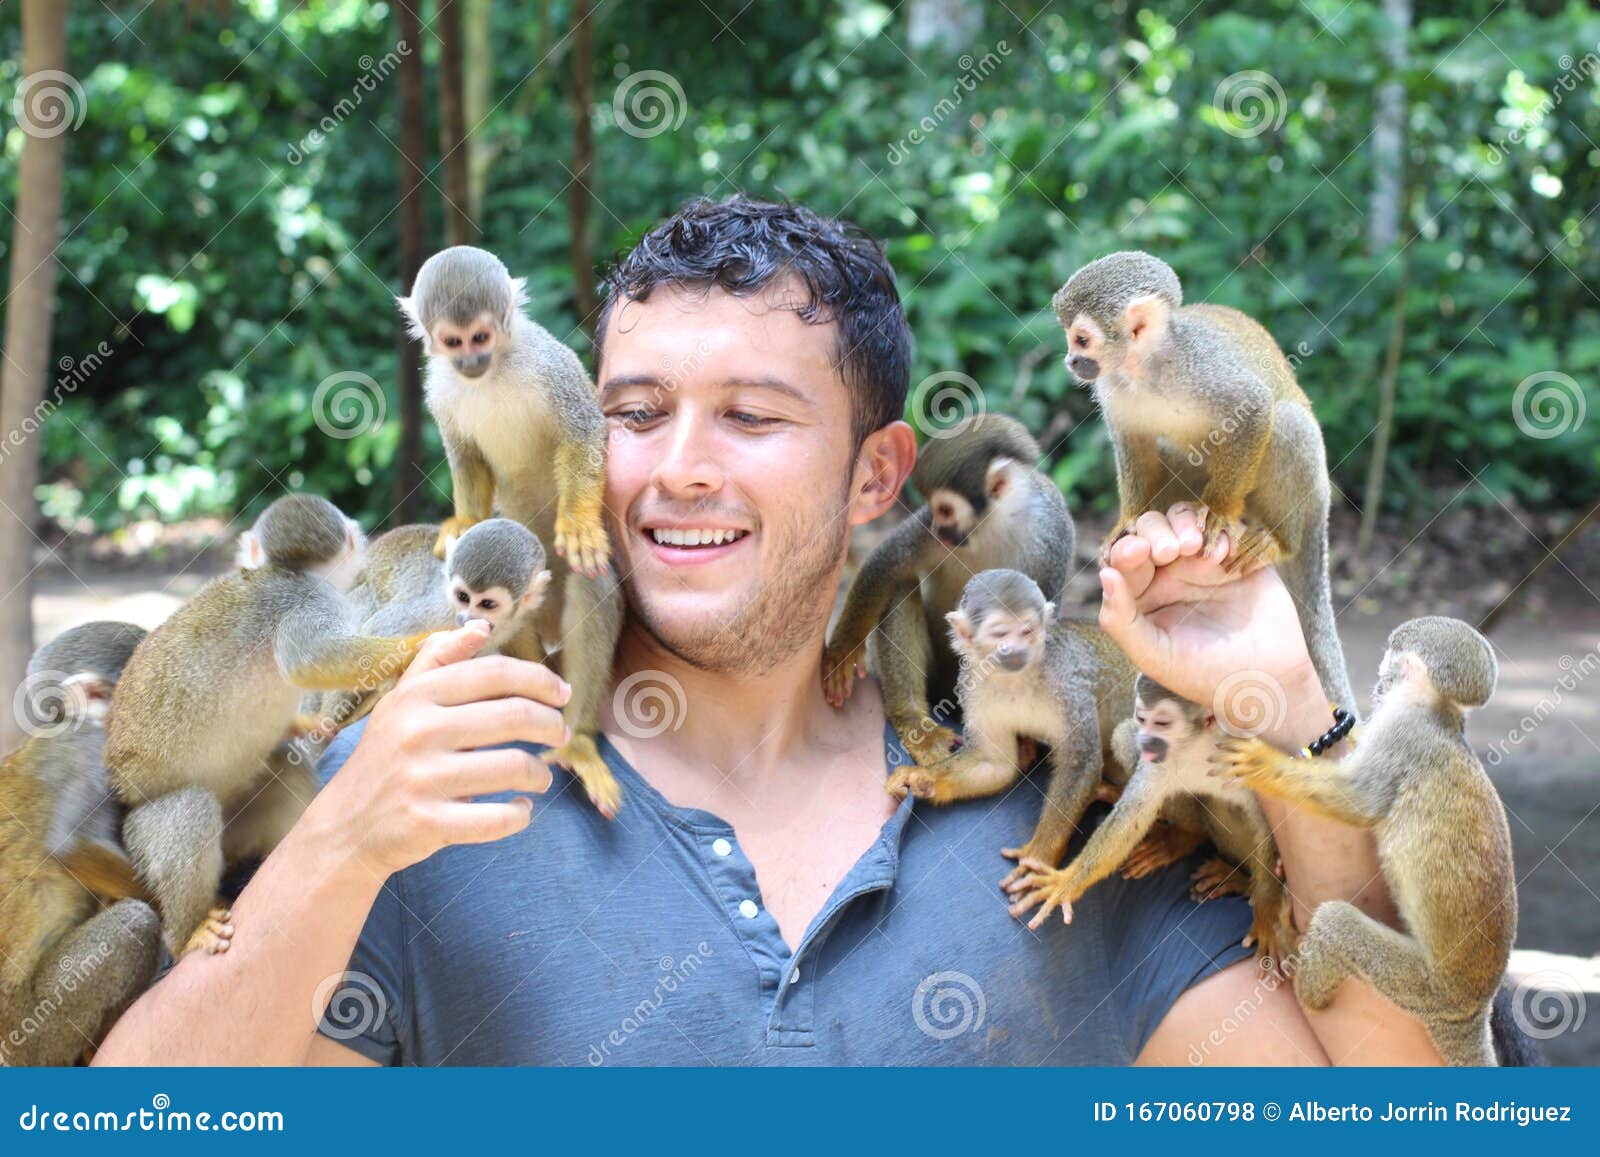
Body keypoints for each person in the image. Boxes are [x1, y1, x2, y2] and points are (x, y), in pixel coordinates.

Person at [96, 196, 1445, 1066]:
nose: (677, 466)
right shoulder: (441, 778)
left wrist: (1276, 696)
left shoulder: (1041, 798)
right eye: (633, 414)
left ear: (877, 477)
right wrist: (336, 842)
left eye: (750, 416)